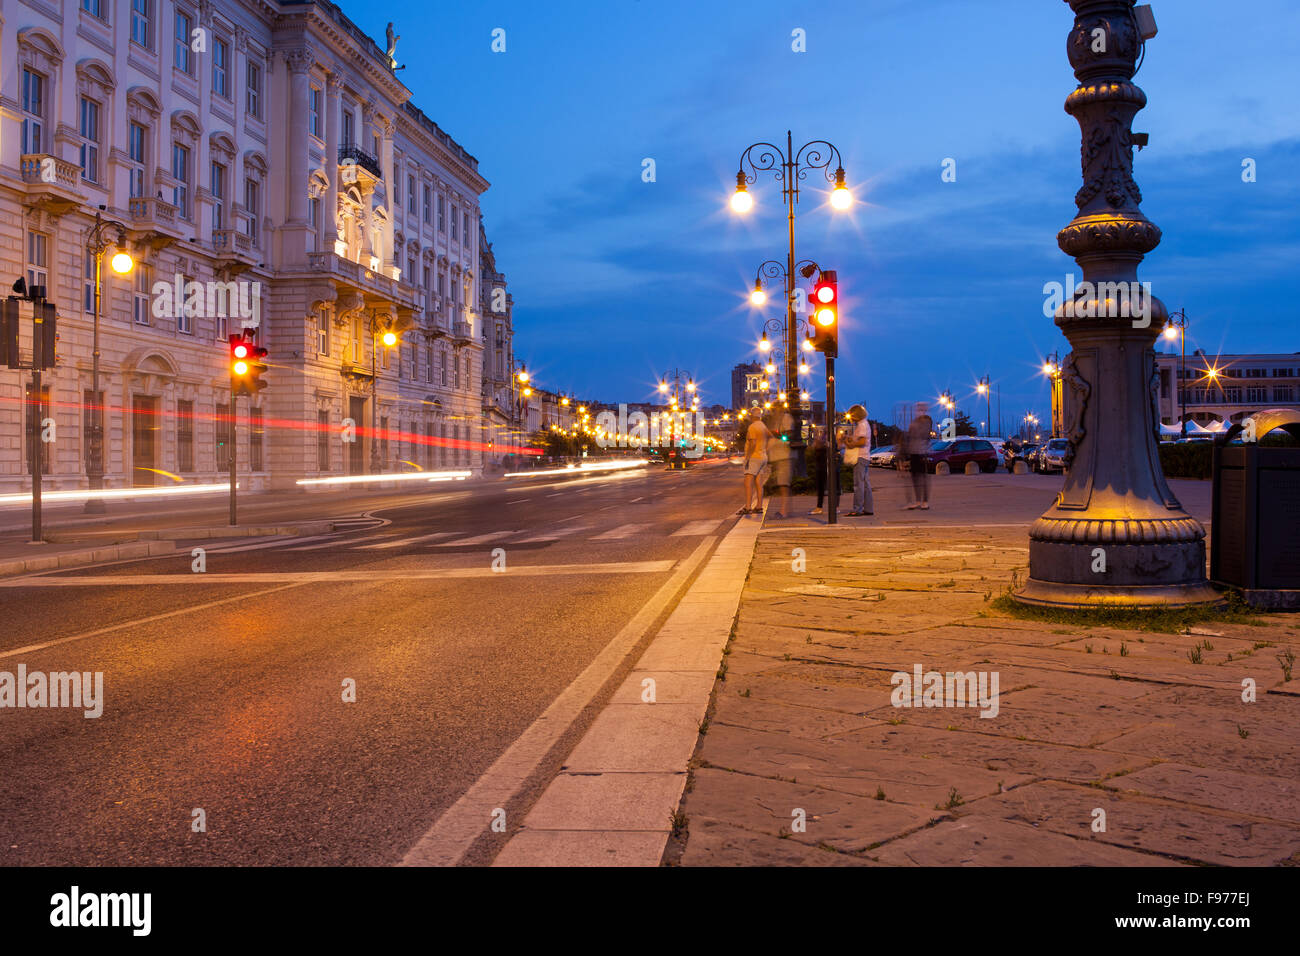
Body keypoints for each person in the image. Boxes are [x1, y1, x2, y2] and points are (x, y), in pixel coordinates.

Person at [842, 405, 873, 516]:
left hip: (860, 456)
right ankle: (868, 508)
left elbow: (862, 442)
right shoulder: (864, 424)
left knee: (858, 484)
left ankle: (857, 509)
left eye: (852, 415)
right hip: (865, 456)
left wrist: (851, 444)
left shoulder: (862, 425)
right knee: (865, 483)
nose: (851, 418)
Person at [902, 401, 933, 510]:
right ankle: (917, 500)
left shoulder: (927, 420)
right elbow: (910, 436)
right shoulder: (915, 421)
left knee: (923, 478)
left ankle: (925, 501)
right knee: (915, 477)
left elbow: (924, 434)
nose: (919, 410)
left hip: (922, 452)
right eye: (918, 408)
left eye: (921, 408)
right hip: (913, 451)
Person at [740, 410, 772, 515]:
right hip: (763, 456)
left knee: (748, 482)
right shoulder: (763, 425)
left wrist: (748, 457)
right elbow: (770, 436)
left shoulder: (752, 427)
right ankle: (759, 506)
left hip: (754, 457)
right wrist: (765, 449)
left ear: (752, 416)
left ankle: (748, 507)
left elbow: (753, 443)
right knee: (759, 483)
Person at [765, 407, 795, 519]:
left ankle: (784, 511)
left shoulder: (786, 418)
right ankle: (785, 510)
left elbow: (788, 436)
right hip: (778, 458)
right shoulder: (777, 421)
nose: (772, 412)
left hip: (784, 457)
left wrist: (774, 434)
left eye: (774, 409)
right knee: (781, 485)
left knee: (784, 484)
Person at [809, 427, 828, 515]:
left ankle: (819, 507)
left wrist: (817, 437)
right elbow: (814, 446)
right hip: (820, 466)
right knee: (820, 487)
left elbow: (817, 446)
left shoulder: (825, 442)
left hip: (823, 467)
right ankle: (819, 507)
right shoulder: (821, 441)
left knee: (821, 487)